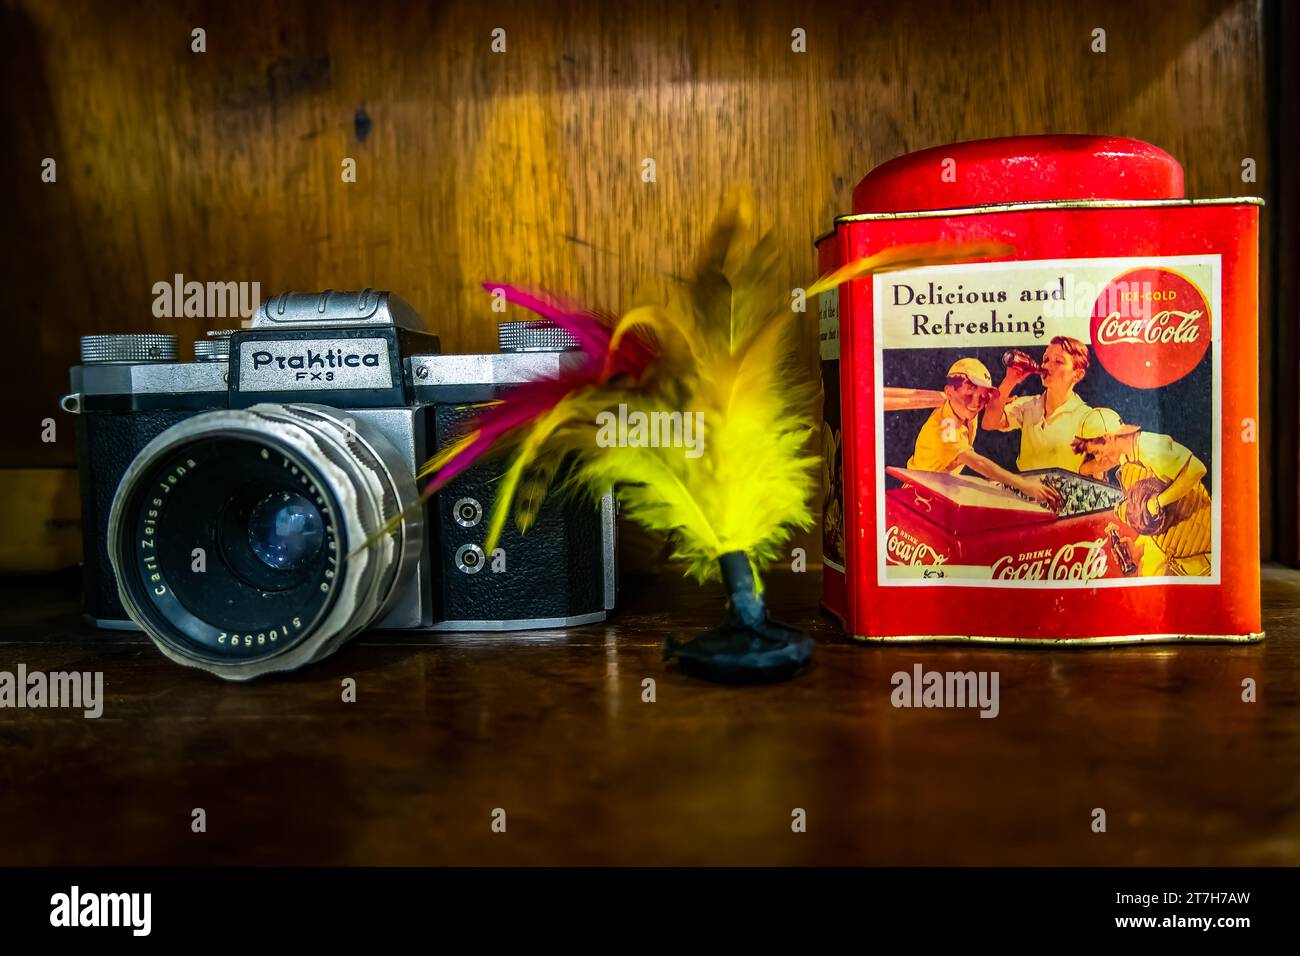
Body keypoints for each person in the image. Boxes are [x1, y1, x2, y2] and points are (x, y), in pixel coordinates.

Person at [1071, 408, 1212, 577]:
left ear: (1109, 438)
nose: (1099, 459)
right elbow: (1163, 519)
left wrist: (1158, 501)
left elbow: (1197, 469)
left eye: (1097, 452)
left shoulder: (1149, 446)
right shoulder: (1128, 460)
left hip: (1201, 557)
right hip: (1176, 557)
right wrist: (1137, 549)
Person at [907, 358, 1062, 509]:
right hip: (916, 497)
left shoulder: (962, 407)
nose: (976, 404)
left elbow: (990, 401)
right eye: (969, 394)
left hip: (940, 491)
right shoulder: (946, 427)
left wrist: (1010, 382)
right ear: (949, 392)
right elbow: (977, 463)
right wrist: (1023, 485)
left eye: (982, 397)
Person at [982, 336, 1094, 472]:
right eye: (1046, 360)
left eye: (1058, 361)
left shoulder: (1086, 417)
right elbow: (989, 423)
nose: (1046, 366)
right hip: (1025, 488)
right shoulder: (1027, 405)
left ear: (1078, 375)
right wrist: (1010, 380)